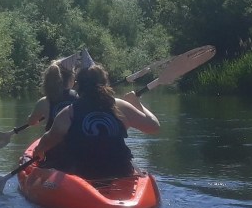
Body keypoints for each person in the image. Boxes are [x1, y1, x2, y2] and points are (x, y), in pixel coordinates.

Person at [32, 61, 160, 179]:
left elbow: (46, 142)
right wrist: (137, 103)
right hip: (121, 171)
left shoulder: (68, 113)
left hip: (84, 174)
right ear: (105, 82)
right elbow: (154, 127)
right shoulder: (119, 106)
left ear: (77, 86)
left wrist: (38, 151)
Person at [25, 52, 79, 132]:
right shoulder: (78, 98)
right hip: (74, 142)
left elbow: (32, 122)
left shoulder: (44, 101)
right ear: (71, 79)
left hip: (53, 142)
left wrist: (32, 118)